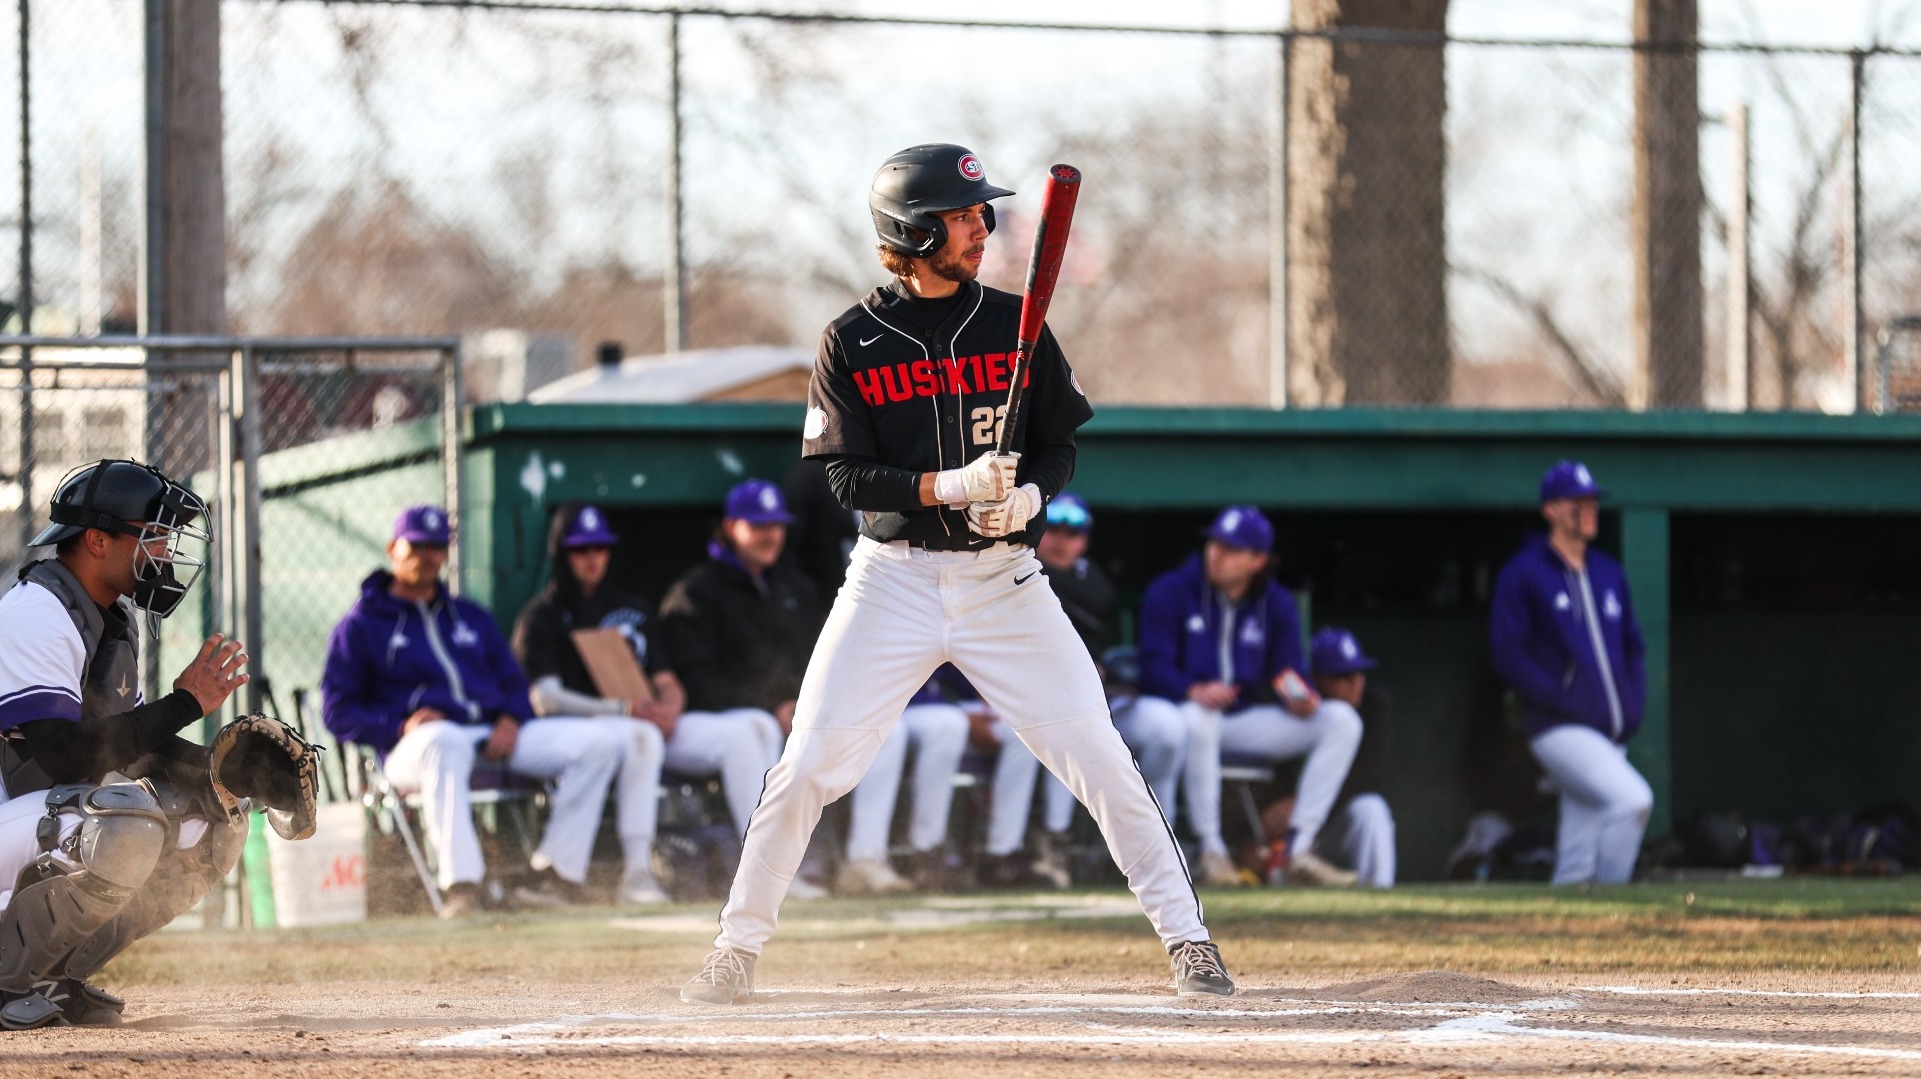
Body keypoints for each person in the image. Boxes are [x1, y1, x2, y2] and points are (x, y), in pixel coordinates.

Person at [680, 143, 1232, 1005]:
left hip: (1002, 580)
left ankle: (1189, 942)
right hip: (891, 580)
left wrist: (1030, 499)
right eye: (964, 216)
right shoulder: (850, 340)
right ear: (911, 230)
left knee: (1097, 750)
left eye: (980, 215)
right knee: (810, 762)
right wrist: (949, 486)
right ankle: (734, 948)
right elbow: (844, 477)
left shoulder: (1015, 323)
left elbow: (1057, 443)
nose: (982, 228)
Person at [0, 459, 251, 1030]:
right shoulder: (36, 613)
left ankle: (46, 978)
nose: (164, 553)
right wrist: (186, 702)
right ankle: (3, 981)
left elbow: (128, 749)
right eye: (153, 536)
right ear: (96, 540)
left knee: (213, 819)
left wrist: (229, 773)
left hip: (19, 824)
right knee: (123, 822)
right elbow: (66, 755)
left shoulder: (109, 620)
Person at [321, 505, 655, 916]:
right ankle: (464, 886)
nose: (428, 556)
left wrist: (513, 720)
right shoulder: (360, 626)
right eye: (418, 545)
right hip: (415, 747)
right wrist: (400, 724)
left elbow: (515, 684)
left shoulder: (469, 616)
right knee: (441, 742)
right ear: (394, 548)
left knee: (599, 742)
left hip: (491, 732)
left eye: (438, 546)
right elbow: (337, 711)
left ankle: (556, 875)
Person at [1135, 505, 1362, 888]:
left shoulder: (1276, 603)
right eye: (1215, 544)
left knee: (1342, 719)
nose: (1217, 554)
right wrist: (1193, 689)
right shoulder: (1172, 590)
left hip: (1241, 720)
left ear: (1257, 560)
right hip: (1184, 718)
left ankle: (1297, 850)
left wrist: (1299, 694)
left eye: (1231, 548)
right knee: (1201, 716)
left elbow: (1287, 668)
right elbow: (1152, 667)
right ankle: (1211, 851)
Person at [1490, 460, 1651, 885]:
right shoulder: (1525, 573)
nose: (1590, 510)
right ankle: (1613, 900)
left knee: (1579, 847)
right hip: (1558, 726)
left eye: (1592, 502)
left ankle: (1571, 916)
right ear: (1552, 510)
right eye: (1579, 503)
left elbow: (1634, 648)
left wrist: (1632, 706)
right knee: (1633, 801)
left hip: (1611, 729)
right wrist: (1562, 697)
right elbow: (1507, 654)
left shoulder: (1608, 573)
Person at [509, 503, 676, 905]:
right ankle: (560, 873)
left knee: (641, 737)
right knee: (618, 737)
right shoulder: (543, 614)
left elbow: (665, 680)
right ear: (561, 553)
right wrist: (621, 710)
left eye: (600, 548)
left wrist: (668, 708)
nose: (592, 558)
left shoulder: (631, 606)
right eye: (580, 549)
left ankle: (637, 874)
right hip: (544, 730)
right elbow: (545, 699)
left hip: (615, 728)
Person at [656, 480, 816, 859]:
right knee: (751, 729)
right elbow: (699, 683)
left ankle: (852, 859)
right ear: (731, 528)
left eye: (776, 525)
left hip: (782, 716)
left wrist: (800, 704)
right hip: (702, 721)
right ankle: (767, 864)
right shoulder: (696, 592)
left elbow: (811, 660)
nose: (770, 535)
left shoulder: (794, 587)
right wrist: (771, 706)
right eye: (758, 525)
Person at [1030, 492, 1185, 883]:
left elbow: (1093, 599)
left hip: (1098, 699)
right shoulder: (1010, 569)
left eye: (1074, 531)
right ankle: (1054, 842)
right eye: (1054, 528)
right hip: (1030, 705)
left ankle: (1158, 844)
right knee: (1066, 731)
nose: (1062, 539)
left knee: (1167, 725)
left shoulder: (1092, 581)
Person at [836, 668, 968, 896]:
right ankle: (865, 858)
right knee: (888, 731)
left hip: (910, 703)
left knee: (949, 724)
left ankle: (928, 851)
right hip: (851, 701)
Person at [1304, 627, 1395, 888]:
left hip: (1333, 825)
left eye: (1359, 672)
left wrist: (1302, 802)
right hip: (1293, 834)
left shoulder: (1374, 705)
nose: (1356, 682)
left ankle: (1380, 894)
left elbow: (1370, 778)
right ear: (1318, 679)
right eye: (1343, 675)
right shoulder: (1297, 713)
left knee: (1371, 809)